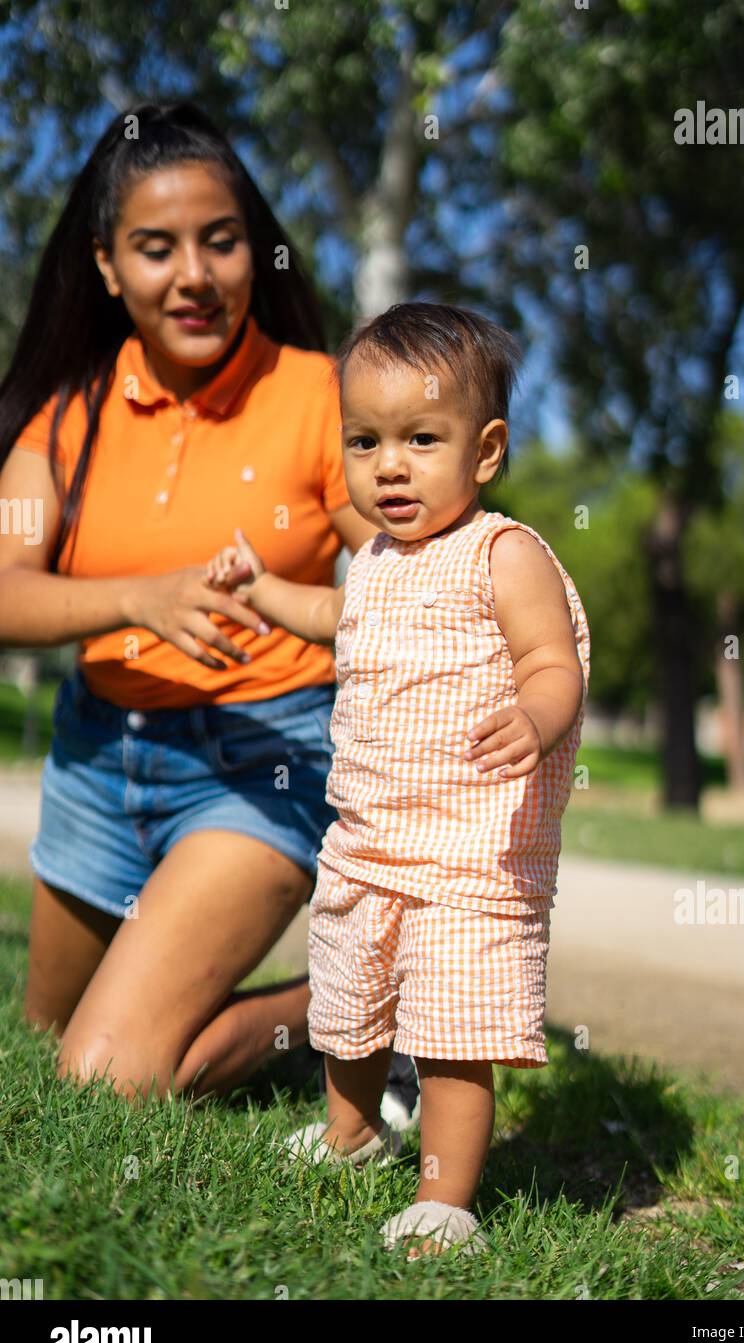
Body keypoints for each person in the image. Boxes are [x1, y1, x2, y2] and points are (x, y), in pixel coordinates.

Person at [0, 100, 417, 1115]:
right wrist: (138, 598)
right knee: (45, 1048)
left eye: (220, 241)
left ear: (253, 251)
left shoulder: (323, 396)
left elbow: (416, 564)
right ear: (106, 266)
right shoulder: (67, 418)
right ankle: (334, 1004)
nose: (193, 275)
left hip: (261, 762)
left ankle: (346, 1001)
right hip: (103, 761)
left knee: (105, 1080)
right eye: (155, 248)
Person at [205, 301, 591, 1257]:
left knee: (455, 1032)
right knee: (348, 1006)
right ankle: (352, 1132)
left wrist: (537, 719)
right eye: (366, 441)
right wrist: (257, 589)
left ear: (486, 451)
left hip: (468, 858)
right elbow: (330, 615)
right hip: (370, 841)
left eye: (422, 439)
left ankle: (447, 1195)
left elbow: (555, 661)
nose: (389, 466)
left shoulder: (501, 555)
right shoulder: (374, 564)